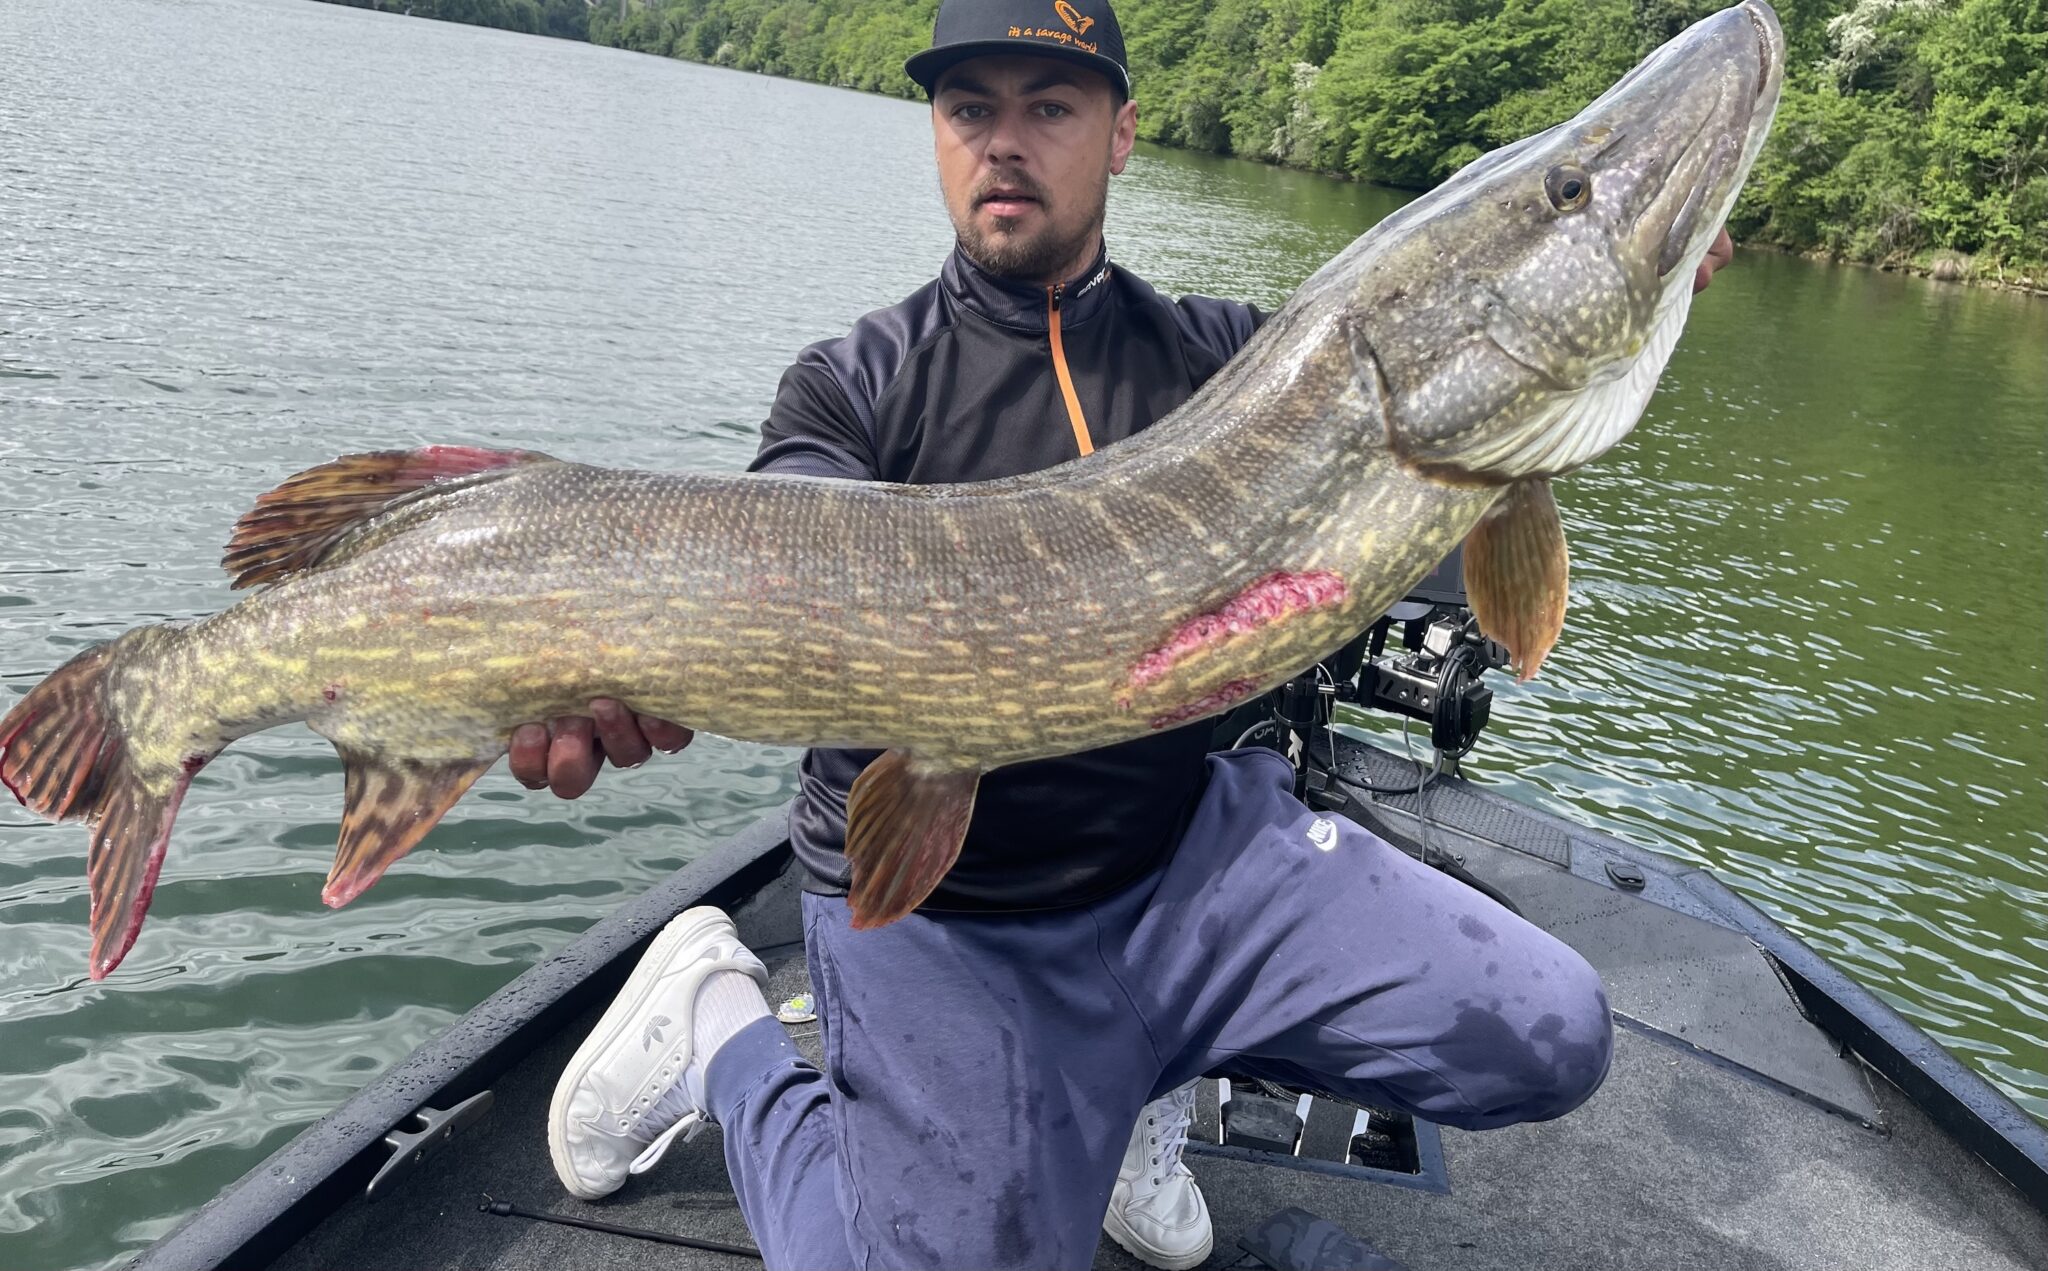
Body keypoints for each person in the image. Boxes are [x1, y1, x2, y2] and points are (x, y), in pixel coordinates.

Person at [523, 1, 1733, 1266]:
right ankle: (720, 1029)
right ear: (934, 134)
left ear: (1119, 135)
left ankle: (1121, 1085)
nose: (1004, 143)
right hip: (953, 913)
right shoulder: (852, 387)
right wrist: (607, 648)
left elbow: (1431, 472)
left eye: (1048, 107)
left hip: (1188, 861)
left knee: (1543, 1029)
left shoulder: (1237, 361)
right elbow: (767, 535)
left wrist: (1611, 304)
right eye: (969, 109)